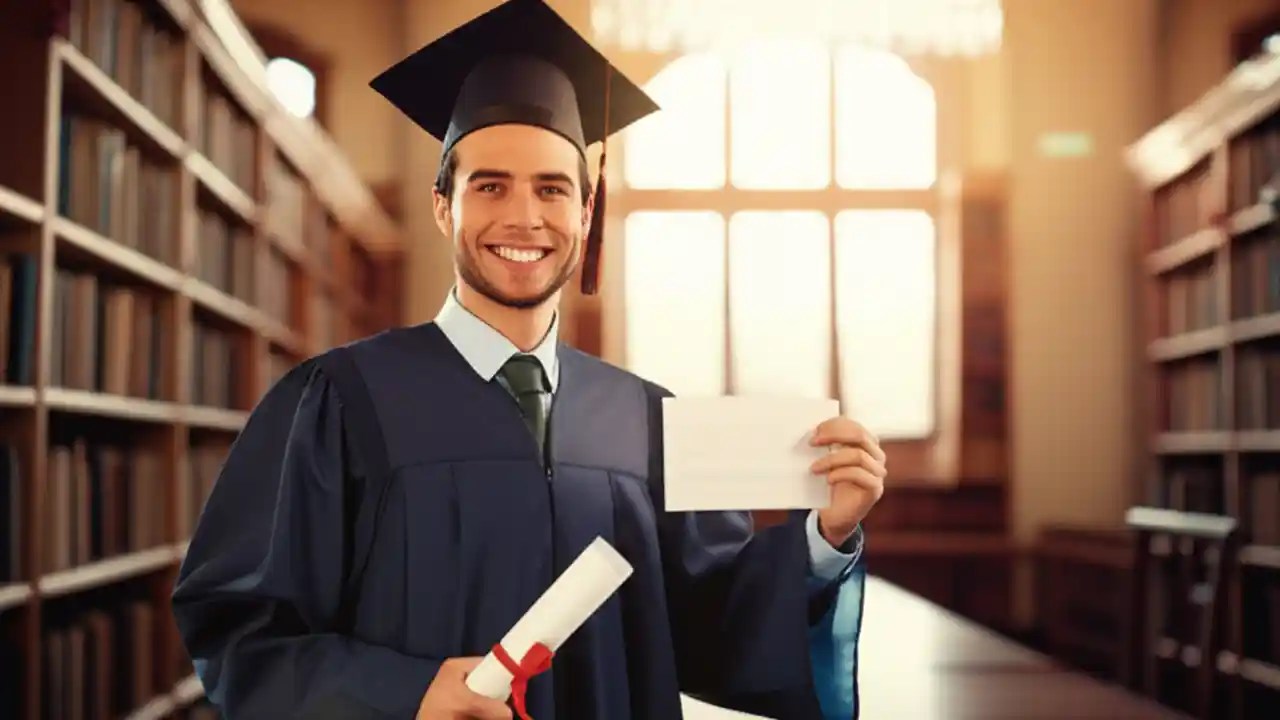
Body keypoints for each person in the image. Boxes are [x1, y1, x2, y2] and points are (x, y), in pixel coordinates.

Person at [170, 1, 886, 718]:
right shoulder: (340, 403)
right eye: (490, 186)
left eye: (552, 188)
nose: (524, 217)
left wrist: (825, 536)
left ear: (585, 211)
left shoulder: (647, 419)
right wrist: (408, 692)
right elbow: (242, 633)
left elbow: (713, 628)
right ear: (443, 206)